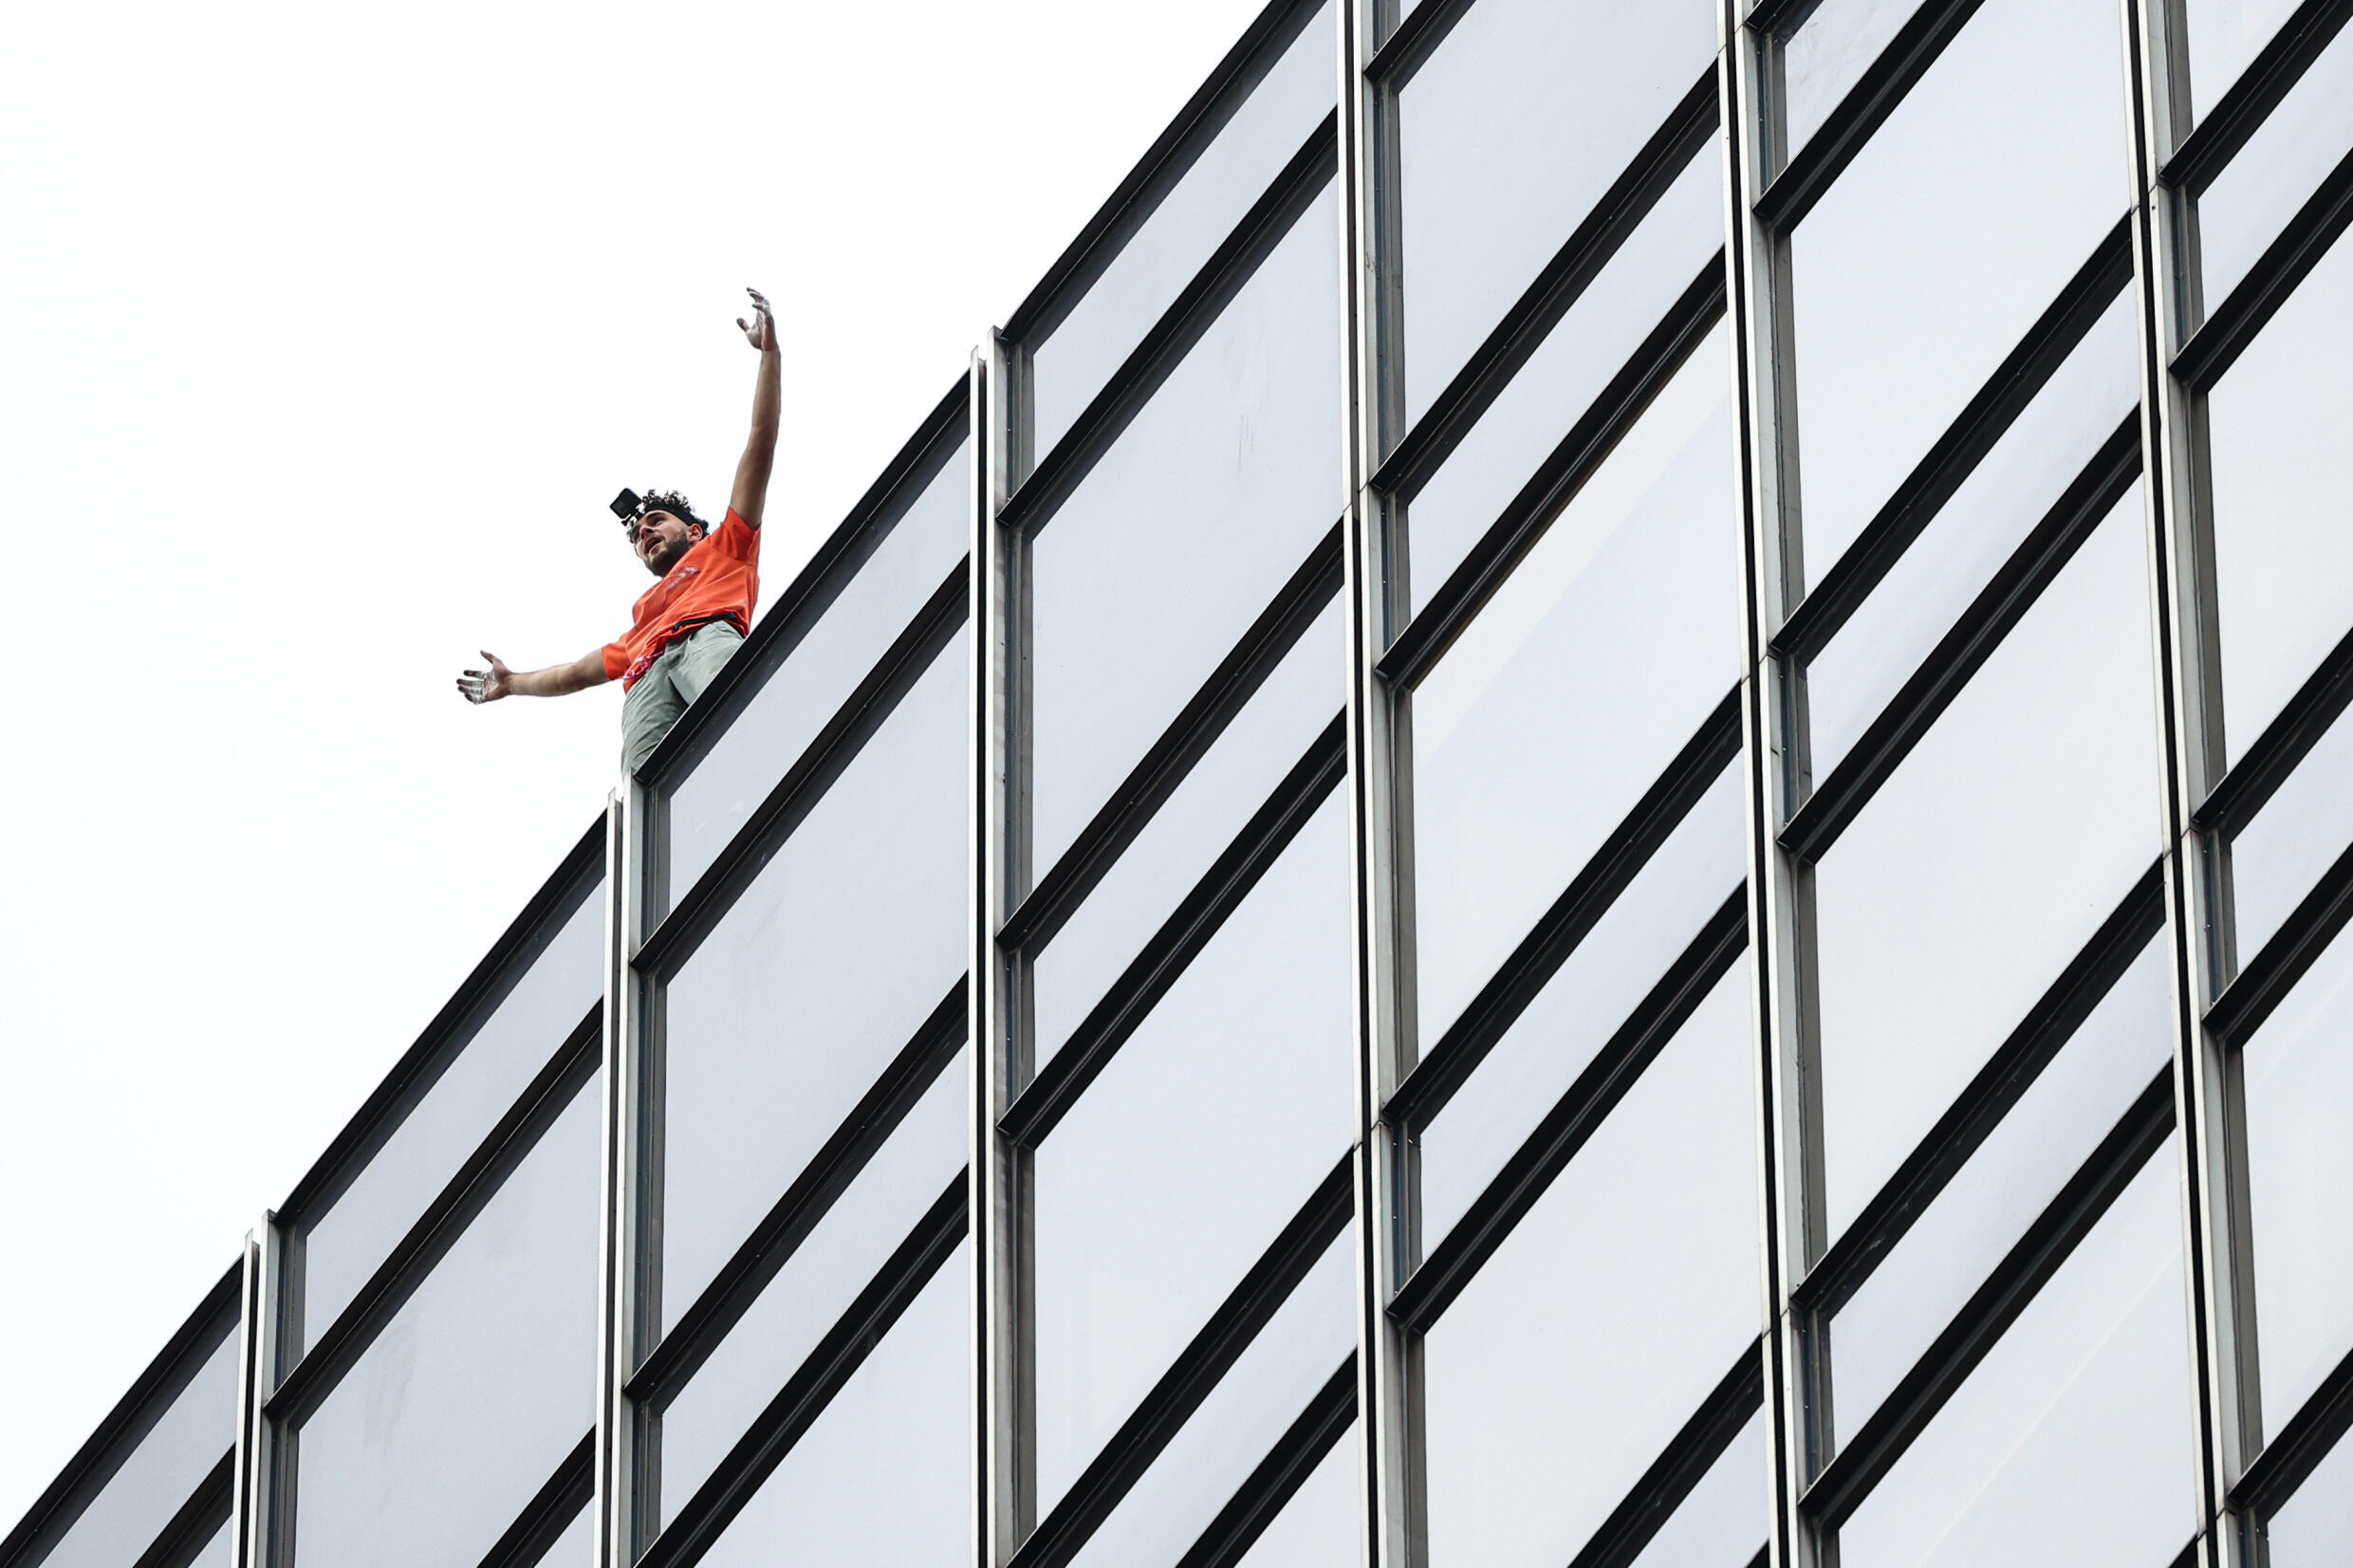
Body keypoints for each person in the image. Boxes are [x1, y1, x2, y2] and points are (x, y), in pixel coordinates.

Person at [456, 287, 781, 772]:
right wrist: (513, 682)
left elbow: (760, 440)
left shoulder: (726, 546)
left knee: (734, 712)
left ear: (693, 531)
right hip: (646, 675)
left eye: (657, 521)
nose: (644, 532)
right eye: (638, 535)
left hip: (706, 637)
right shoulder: (642, 618)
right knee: (644, 784)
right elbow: (574, 673)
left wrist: (769, 356)